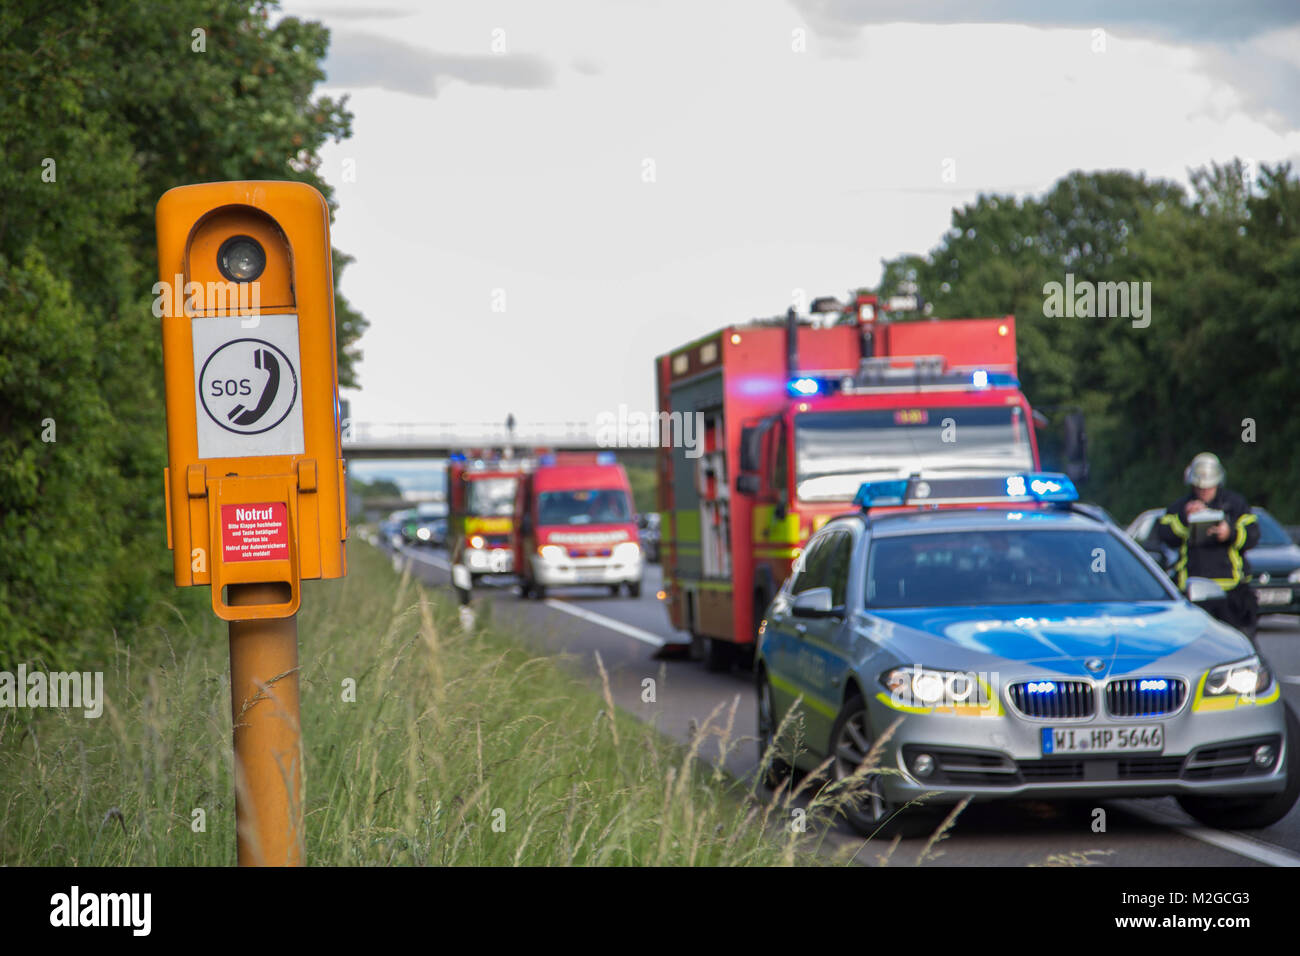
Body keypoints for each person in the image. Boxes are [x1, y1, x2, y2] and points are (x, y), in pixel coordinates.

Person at [1156, 452, 1260, 637]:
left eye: (1208, 487)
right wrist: (1185, 519)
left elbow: (1253, 535)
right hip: (1193, 592)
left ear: (1218, 482)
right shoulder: (1179, 508)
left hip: (1231, 592)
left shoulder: (1235, 504)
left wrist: (1230, 533)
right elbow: (1164, 534)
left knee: (1240, 645)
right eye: (1199, 487)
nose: (1204, 491)